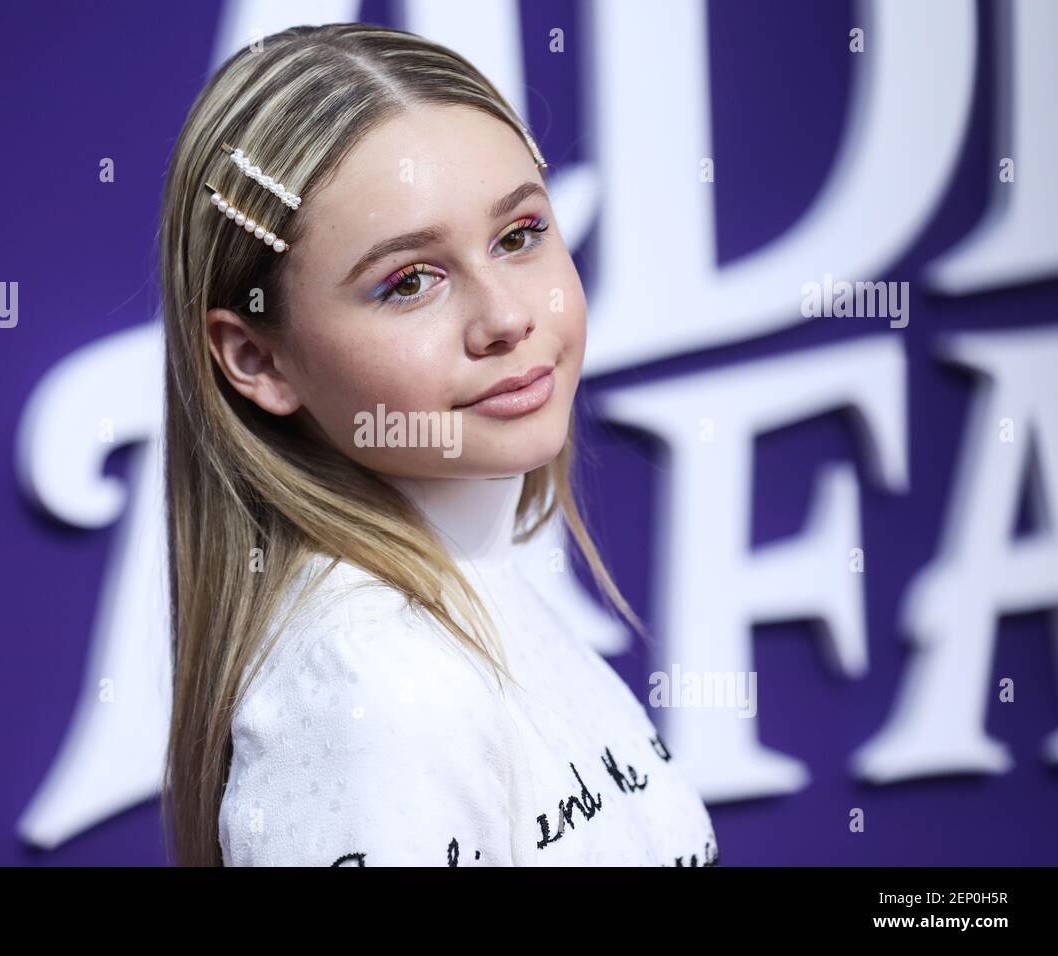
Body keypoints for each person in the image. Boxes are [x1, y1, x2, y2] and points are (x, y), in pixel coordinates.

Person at [158, 21, 719, 866]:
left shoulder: (465, 588)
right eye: (410, 281)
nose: (506, 318)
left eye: (520, 235)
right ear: (258, 358)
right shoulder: (373, 683)